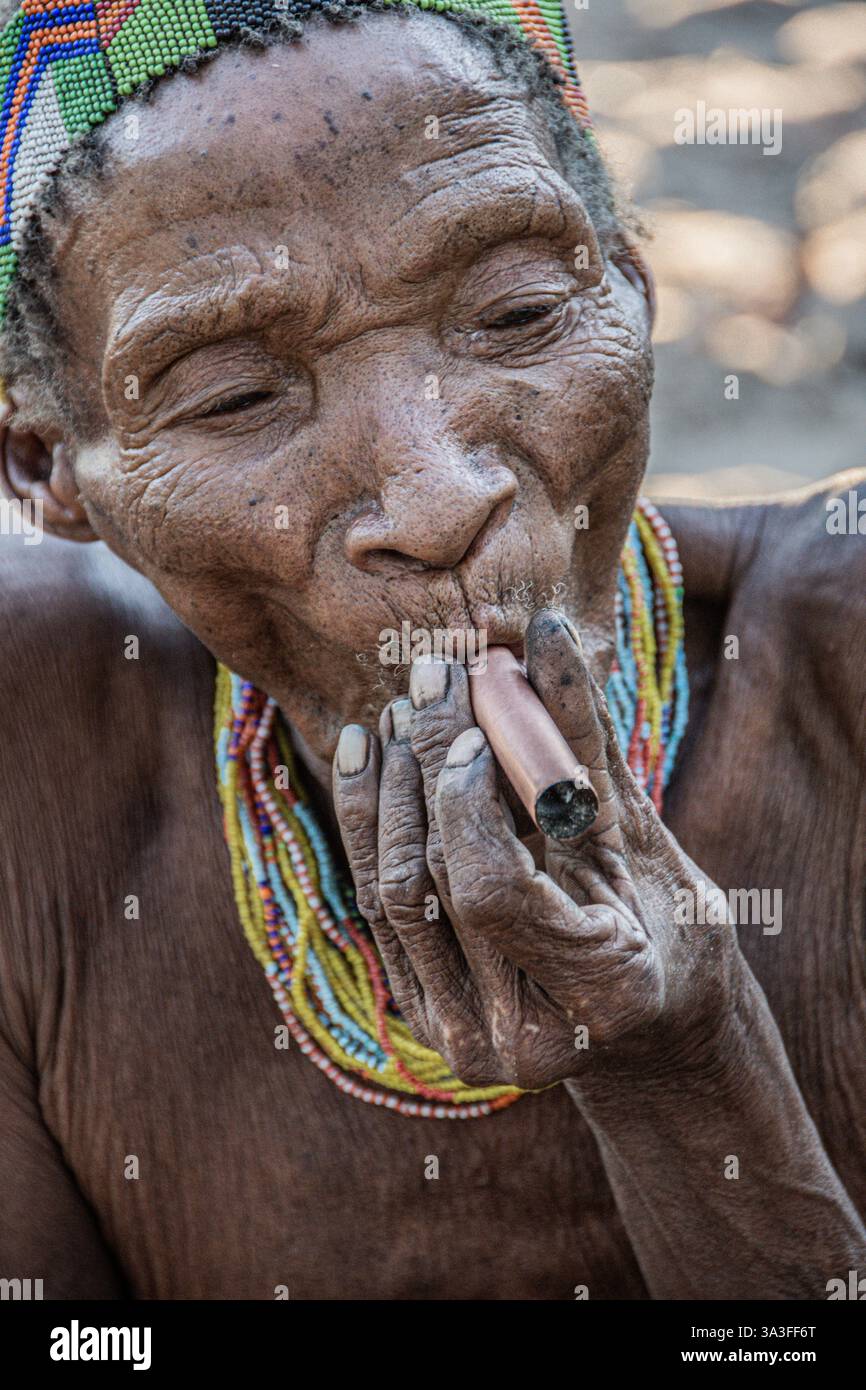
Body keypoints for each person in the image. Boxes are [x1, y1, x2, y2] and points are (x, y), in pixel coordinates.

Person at [0, 0, 863, 1300]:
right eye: (236, 394)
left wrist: (687, 1074)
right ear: (45, 466)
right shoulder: (31, 762)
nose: (437, 497)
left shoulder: (839, 658)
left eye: (515, 313)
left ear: (626, 286)